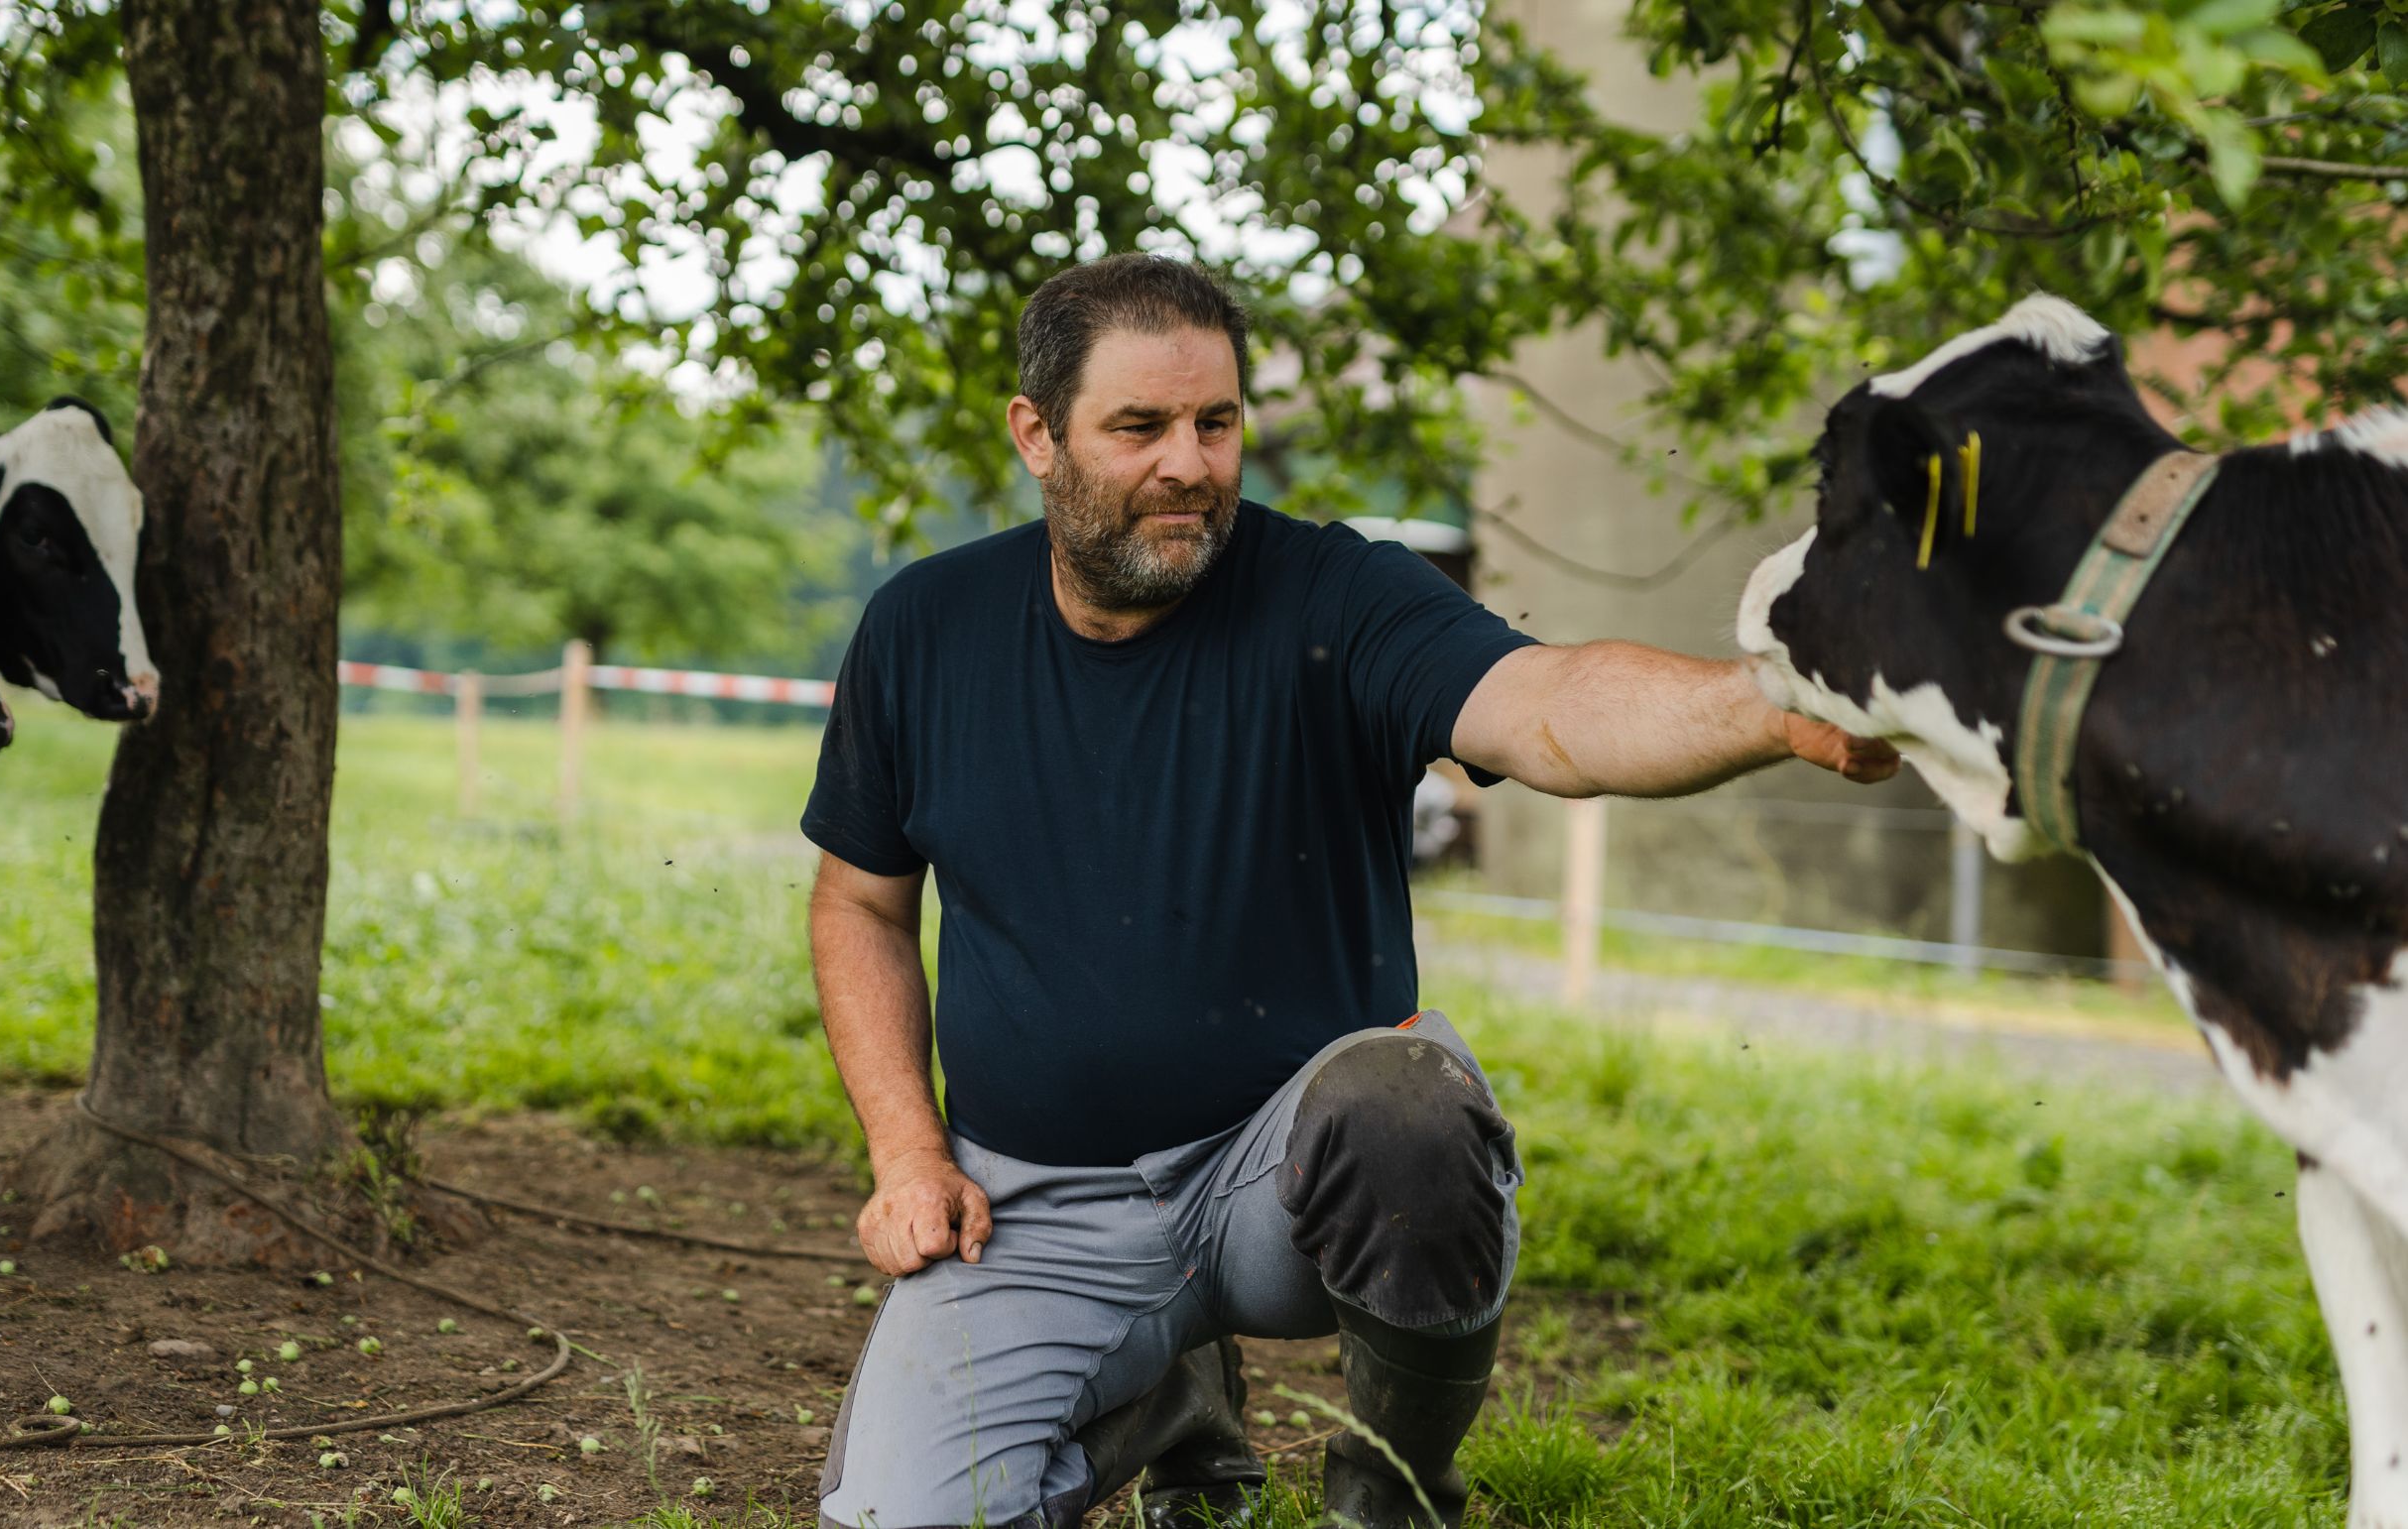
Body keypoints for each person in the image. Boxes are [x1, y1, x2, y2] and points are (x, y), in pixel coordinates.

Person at [800, 255, 1896, 1529]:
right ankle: (1165, 1402)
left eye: (1218, 422)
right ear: (1037, 436)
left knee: (1409, 1101)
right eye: (1141, 427)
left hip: (1284, 1185)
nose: (1191, 464)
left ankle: (1391, 1481)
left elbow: (1550, 710)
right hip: (1035, 1210)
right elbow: (860, 905)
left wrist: (1761, 699)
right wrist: (907, 1152)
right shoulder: (924, 631)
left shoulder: (1340, 595)